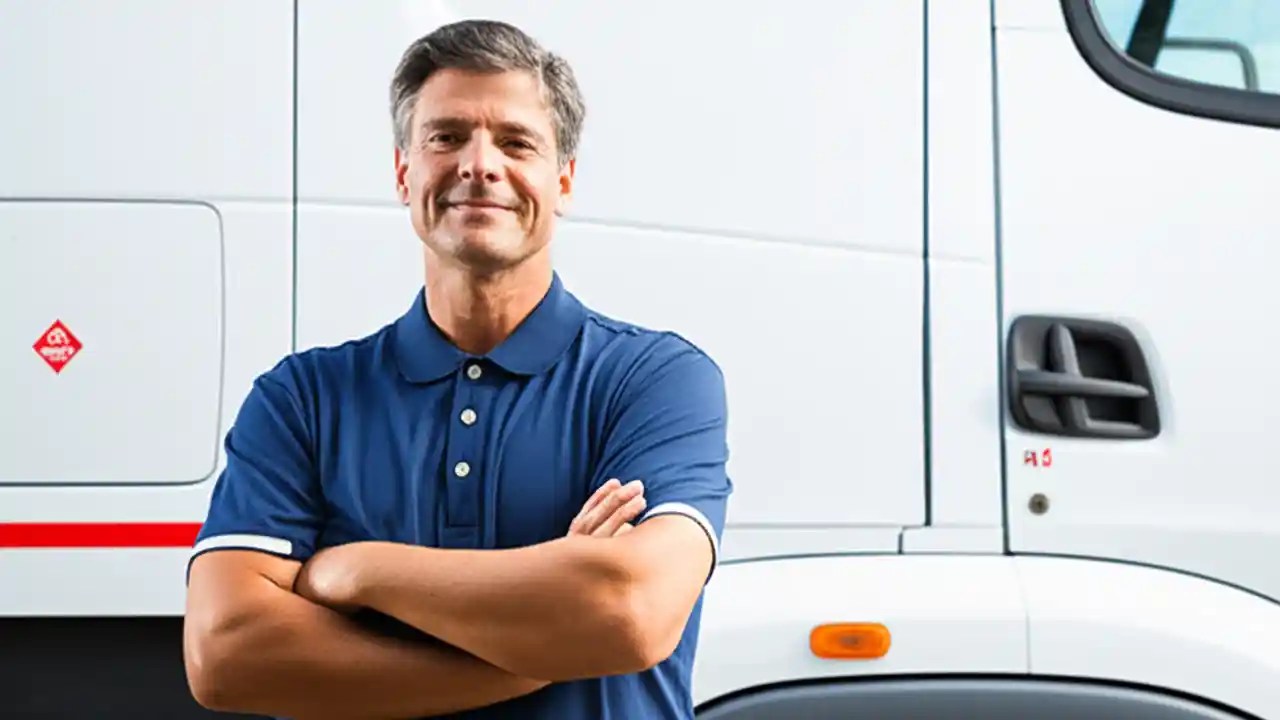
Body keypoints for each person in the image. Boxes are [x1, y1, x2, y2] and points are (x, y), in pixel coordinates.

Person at [182, 18, 733, 720]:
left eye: (516, 142)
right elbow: (225, 654)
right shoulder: (301, 400)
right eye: (446, 137)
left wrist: (356, 569)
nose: (480, 164)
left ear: (562, 180)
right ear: (403, 172)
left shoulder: (656, 381)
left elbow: (629, 609)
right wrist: (545, 643)